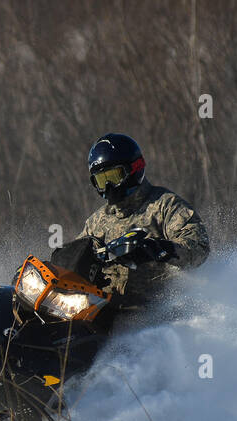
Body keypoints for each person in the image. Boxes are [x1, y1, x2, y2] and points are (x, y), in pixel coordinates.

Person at [76, 133, 210, 311]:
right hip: (100, 308)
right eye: (102, 180)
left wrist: (157, 249)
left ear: (134, 169)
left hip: (154, 309)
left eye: (114, 176)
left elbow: (199, 247)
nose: (108, 186)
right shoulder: (97, 221)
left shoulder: (164, 205)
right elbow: (76, 256)